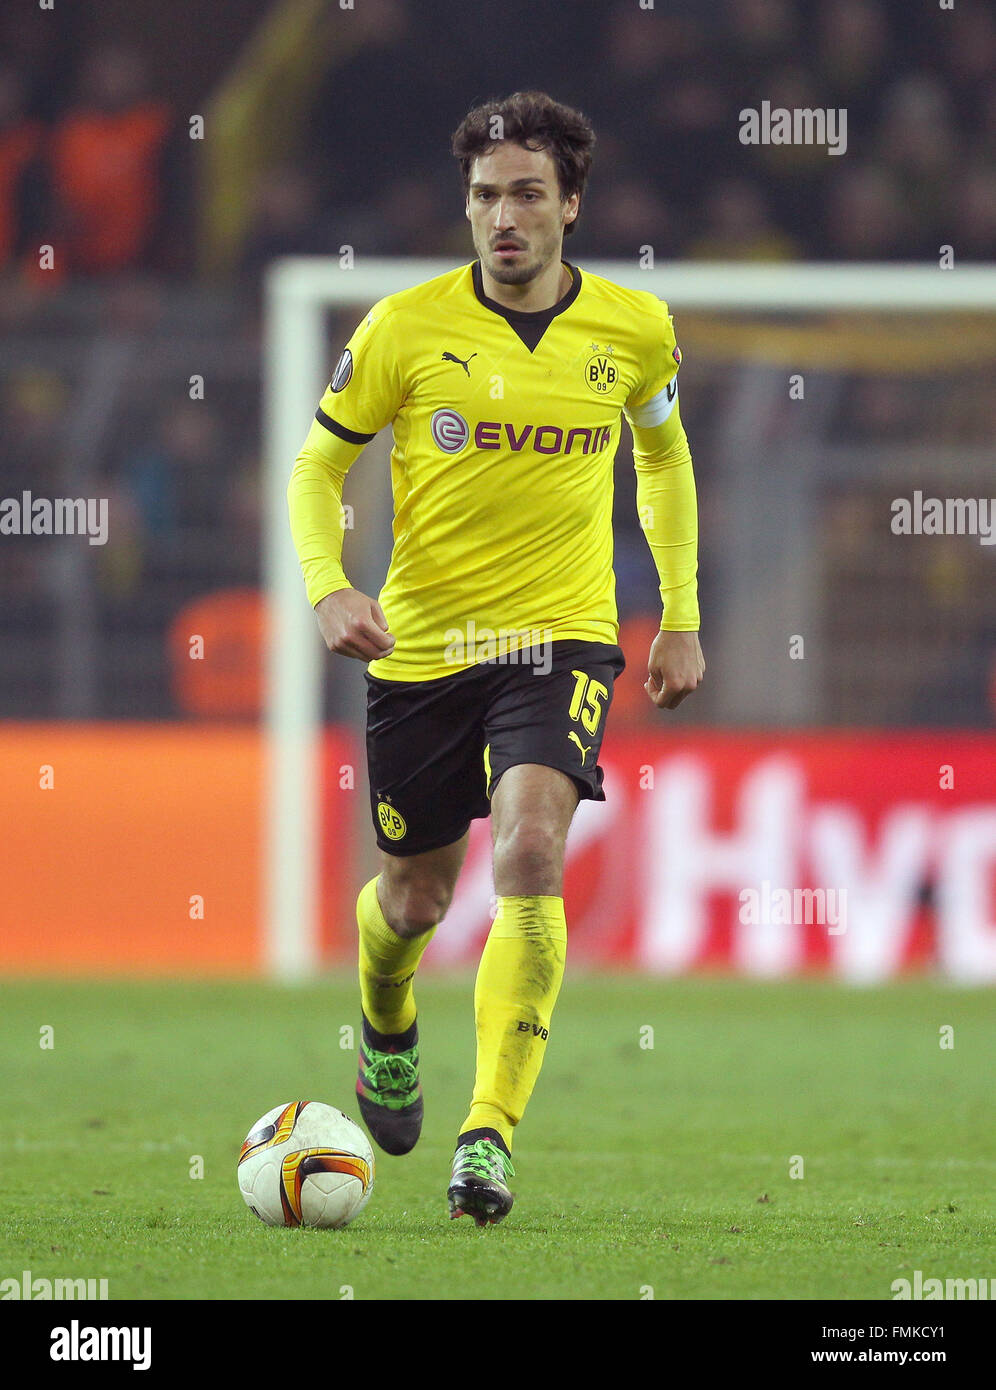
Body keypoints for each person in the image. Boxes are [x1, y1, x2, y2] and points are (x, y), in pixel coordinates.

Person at [287, 91, 704, 1227]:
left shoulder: (634, 328)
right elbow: (317, 471)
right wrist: (329, 587)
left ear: (571, 202)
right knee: (413, 900)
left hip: (558, 638)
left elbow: (663, 463)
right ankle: (383, 1015)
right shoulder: (401, 329)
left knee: (527, 851)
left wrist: (679, 610)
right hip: (422, 649)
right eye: (484, 197)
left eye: (526, 193)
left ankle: (490, 1137)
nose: (503, 216)